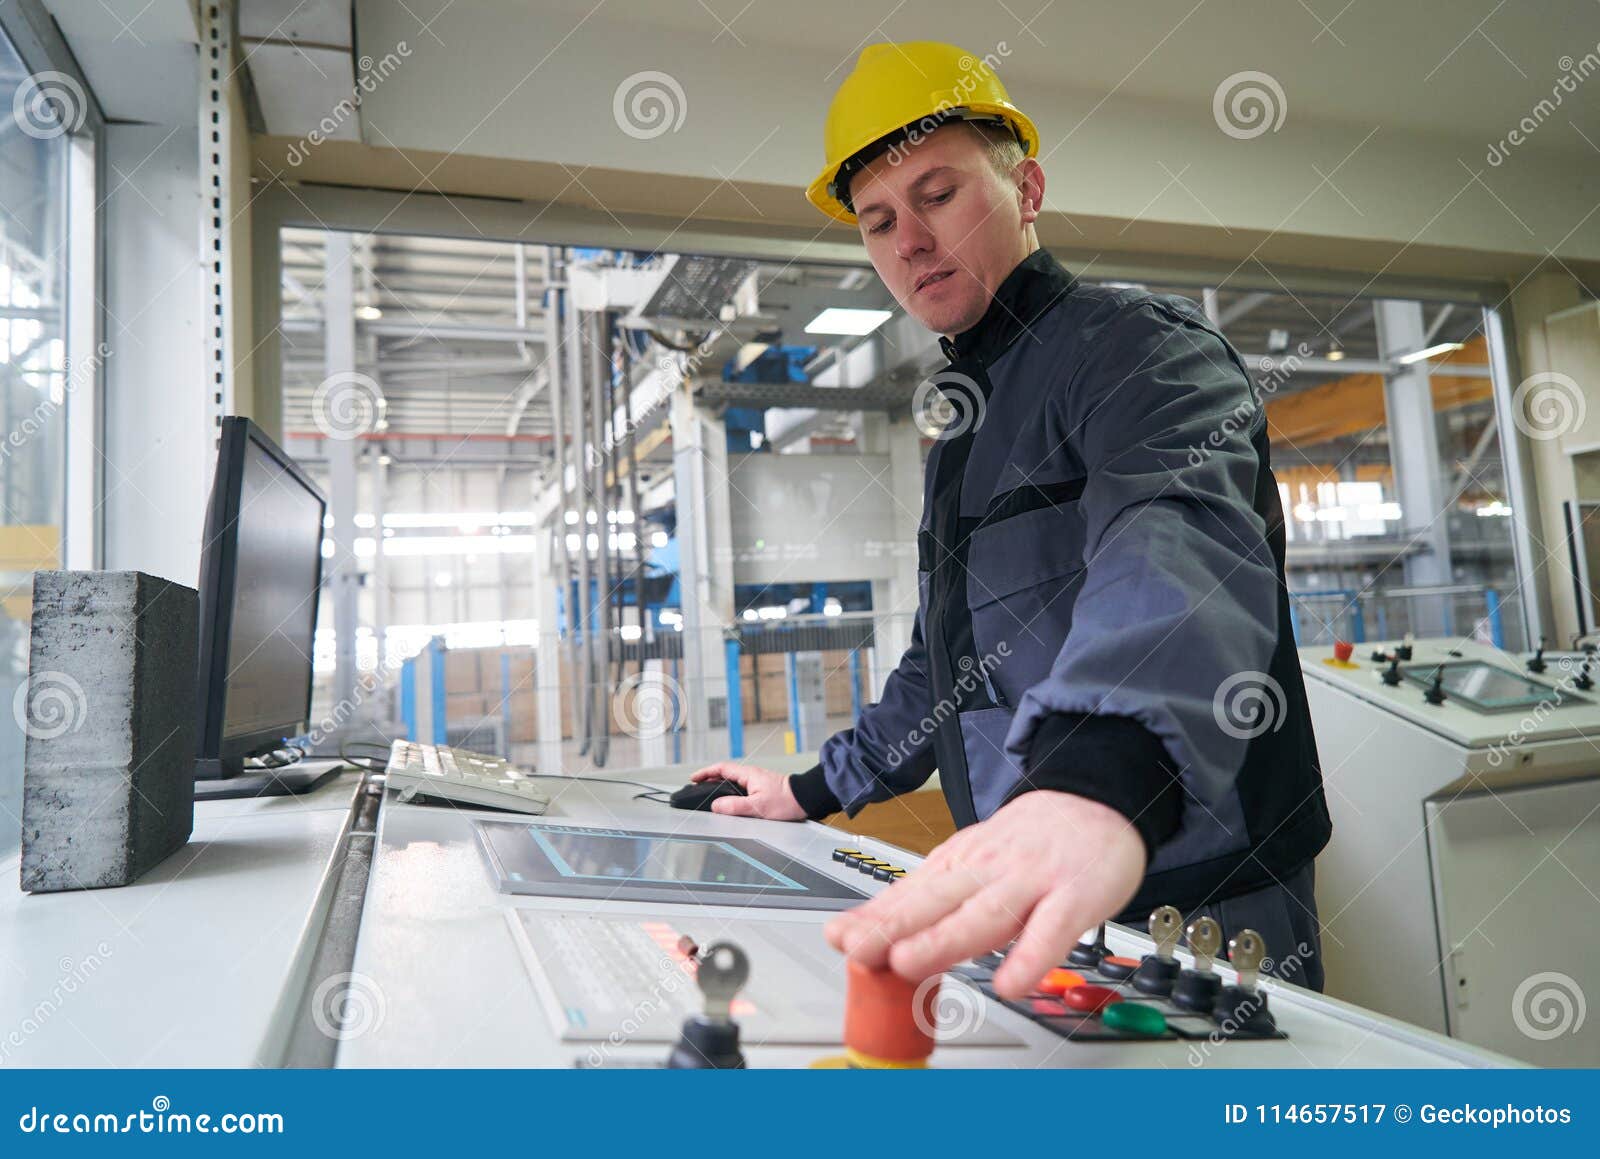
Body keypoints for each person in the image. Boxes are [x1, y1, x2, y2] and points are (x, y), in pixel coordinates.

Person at [691, 41, 1331, 1001]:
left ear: (1026, 188)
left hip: (1200, 893)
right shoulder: (964, 429)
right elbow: (942, 668)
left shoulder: (1141, 353)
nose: (909, 241)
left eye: (938, 195)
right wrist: (812, 789)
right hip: (1032, 878)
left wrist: (1096, 774)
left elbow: (1173, 545)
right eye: (878, 220)